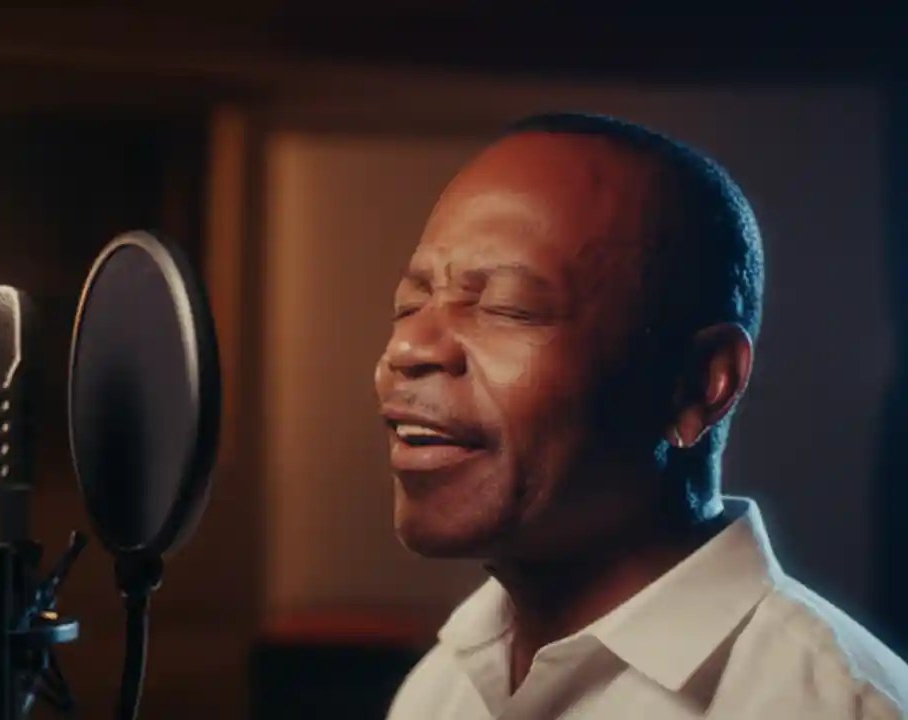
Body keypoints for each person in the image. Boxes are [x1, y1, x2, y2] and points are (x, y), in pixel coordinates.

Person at [375, 112, 908, 719]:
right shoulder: (439, 690)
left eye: (507, 307)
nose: (407, 349)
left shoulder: (836, 707)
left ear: (700, 385)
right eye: (408, 305)